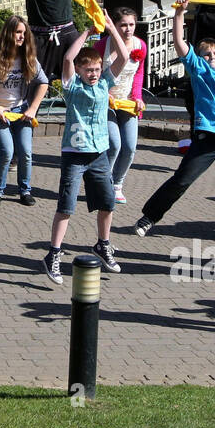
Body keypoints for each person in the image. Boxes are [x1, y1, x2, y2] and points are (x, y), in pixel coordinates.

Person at [133, 0, 215, 238]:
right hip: (206, 136)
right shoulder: (198, 69)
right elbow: (179, 42)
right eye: (206, 54)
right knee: (182, 180)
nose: (212, 57)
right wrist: (179, 13)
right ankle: (149, 217)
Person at [41, 20, 133, 283]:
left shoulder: (104, 82)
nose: (93, 73)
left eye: (96, 69)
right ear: (80, 70)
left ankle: (103, 244)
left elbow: (124, 56)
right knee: (66, 207)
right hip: (74, 154)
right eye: (88, 70)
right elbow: (68, 57)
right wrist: (88, 32)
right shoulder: (72, 87)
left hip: (99, 154)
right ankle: (53, 254)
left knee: (107, 203)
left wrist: (110, 27)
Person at [0, 16, 49, 207]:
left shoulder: (28, 58)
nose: (21, 36)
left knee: (25, 151)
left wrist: (33, 108)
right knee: (6, 151)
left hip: (21, 110)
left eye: (24, 33)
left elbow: (44, 82)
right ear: (9, 33)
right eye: (18, 32)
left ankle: (25, 190)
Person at [95, 7, 147, 205]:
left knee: (130, 146)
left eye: (131, 24)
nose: (128, 29)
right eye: (123, 25)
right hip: (106, 102)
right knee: (114, 144)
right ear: (114, 26)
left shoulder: (140, 45)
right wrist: (103, 92)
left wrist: (137, 96)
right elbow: (94, 72)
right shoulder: (102, 46)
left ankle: (118, 183)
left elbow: (139, 73)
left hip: (127, 101)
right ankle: (103, 183)